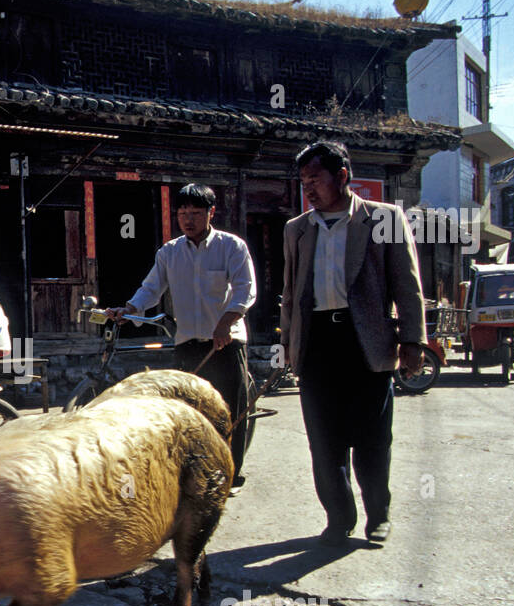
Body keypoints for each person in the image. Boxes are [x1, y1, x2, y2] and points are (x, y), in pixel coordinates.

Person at [281, 141, 426, 547]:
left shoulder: (384, 219)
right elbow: (291, 293)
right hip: (317, 343)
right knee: (324, 440)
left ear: (342, 176)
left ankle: (378, 515)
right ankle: (338, 517)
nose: (308, 188)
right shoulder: (298, 229)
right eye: (303, 180)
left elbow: (407, 286)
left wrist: (412, 341)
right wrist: (289, 344)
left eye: (315, 179)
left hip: (366, 342)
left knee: (372, 437)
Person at [108, 183, 257, 484]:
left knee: (231, 411)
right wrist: (130, 310)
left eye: (196, 213)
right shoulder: (169, 252)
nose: (188, 219)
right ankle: (197, 475)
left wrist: (226, 322)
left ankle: (230, 475)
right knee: (191, 412)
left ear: (211, 213)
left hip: (224, 343)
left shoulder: (232, 247)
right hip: (188, 343)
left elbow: (245, 289)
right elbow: (151, 289)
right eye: (183, 213)